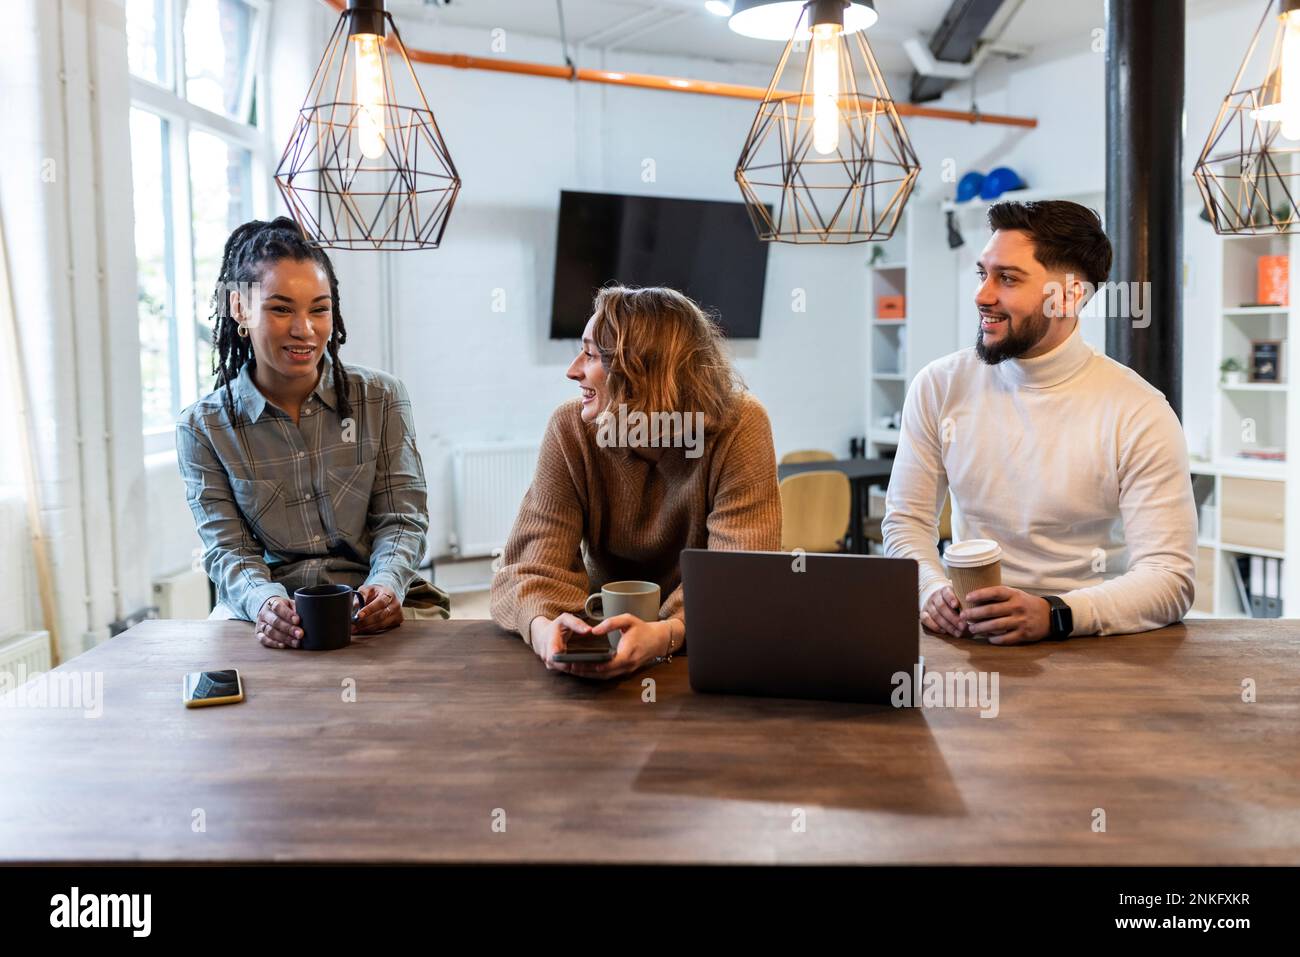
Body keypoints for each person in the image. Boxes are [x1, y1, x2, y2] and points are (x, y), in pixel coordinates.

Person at [882, 200, 1196, 643]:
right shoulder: (939, 386)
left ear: (1069, 296)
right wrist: (929, 589)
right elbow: (905, 523)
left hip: (1091, 648)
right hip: (970, 641)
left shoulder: (1138, 411)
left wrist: (1057, 614)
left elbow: (1169, 578)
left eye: (1007, 278)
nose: (982, 295)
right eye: (983, 274)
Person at [177, 217, 448, 649]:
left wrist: (387, 584)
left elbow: (402, 519)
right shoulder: (203, 428)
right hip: (268, 608)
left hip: (372, 599)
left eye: (319, 309)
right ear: (240, 308)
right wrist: (265, 602)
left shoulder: (381, 398)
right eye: (281, 308)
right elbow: (228, 550)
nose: (304, 330)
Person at [491, 285, 782, 678]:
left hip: (704, 646)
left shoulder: (740, 425)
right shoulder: (570, 429)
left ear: (641, 370)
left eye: (591, 355)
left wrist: (667, 633)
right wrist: (543, 629)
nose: (573, 369)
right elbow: (530, 567)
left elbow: (741, 575)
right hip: (600, 634)